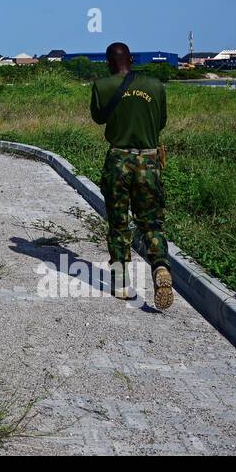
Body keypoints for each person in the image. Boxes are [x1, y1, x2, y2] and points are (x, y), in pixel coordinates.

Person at [89, 41, 173, 309]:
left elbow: (98, 119)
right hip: (149, 160)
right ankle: (160, 266)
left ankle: (122, 282)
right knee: (152, 222)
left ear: (108, 63)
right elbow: (161, 122)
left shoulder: (102, 86)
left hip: (118, 160)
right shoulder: (155, 85)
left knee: (118, 223)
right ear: (132, 60)